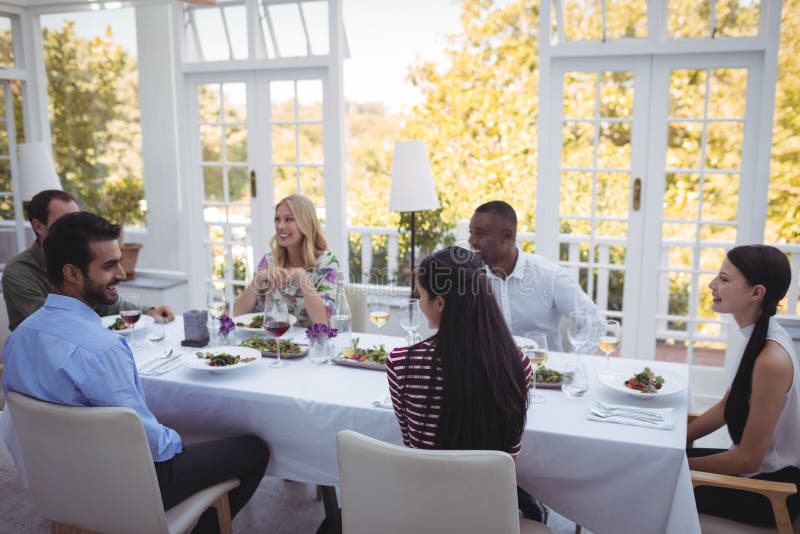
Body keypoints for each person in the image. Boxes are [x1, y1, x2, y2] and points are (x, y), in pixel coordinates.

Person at [2, 212, 268, 533]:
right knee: (254, 448)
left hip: (57, 486)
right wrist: (179, 439)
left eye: (119, 262)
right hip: (125, 491)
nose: (123, 273)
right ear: (72, 273)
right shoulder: (103, 348)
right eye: (109, 266)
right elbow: (151, 444)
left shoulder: (17, 339)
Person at [386, 247, 544, 520]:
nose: (420, 303)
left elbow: (413, 445)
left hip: (423, 513)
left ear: (440, 303)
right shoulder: (517, 365)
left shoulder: (401, 362)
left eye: (421, 295)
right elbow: (508, 461)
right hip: (486, 517)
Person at [687, 245, 799, 527]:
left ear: (756, 293)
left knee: (650, 483)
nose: (713, 284)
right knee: (649, 469)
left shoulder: (770, 359)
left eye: (724, 279)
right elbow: (728, 407)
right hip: (753, 475)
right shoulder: (757, 337)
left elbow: (748, 459)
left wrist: (678, 466)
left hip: (768, 492)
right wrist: (672, 442)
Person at [2, 189, 173, 331]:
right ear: (39, 226)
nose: (77, 226)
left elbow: (102, 301)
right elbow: (51, 323)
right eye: (65, 220)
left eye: (77, 217)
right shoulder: (18, 272)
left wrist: (147, 311)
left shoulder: (82, 260)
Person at [468, 200, 602, 351]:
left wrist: (570, 364)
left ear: (507, 236)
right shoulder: (471, 278)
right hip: (490, 373)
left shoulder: (550, 276)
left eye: (479, 233)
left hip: (541, 372)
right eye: (471, 232)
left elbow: (594, 323)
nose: (471, 241)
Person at [234, 194, 338, 326]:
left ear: (305, 223)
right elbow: (238, 315)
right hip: (270, 342)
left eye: (289, 219)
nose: (280, 226)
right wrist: (259, 279)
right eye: (277, 219)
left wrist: (301, 277)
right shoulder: (270, 260)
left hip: (310, 343)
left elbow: (323, 323)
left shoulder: (327, 263)